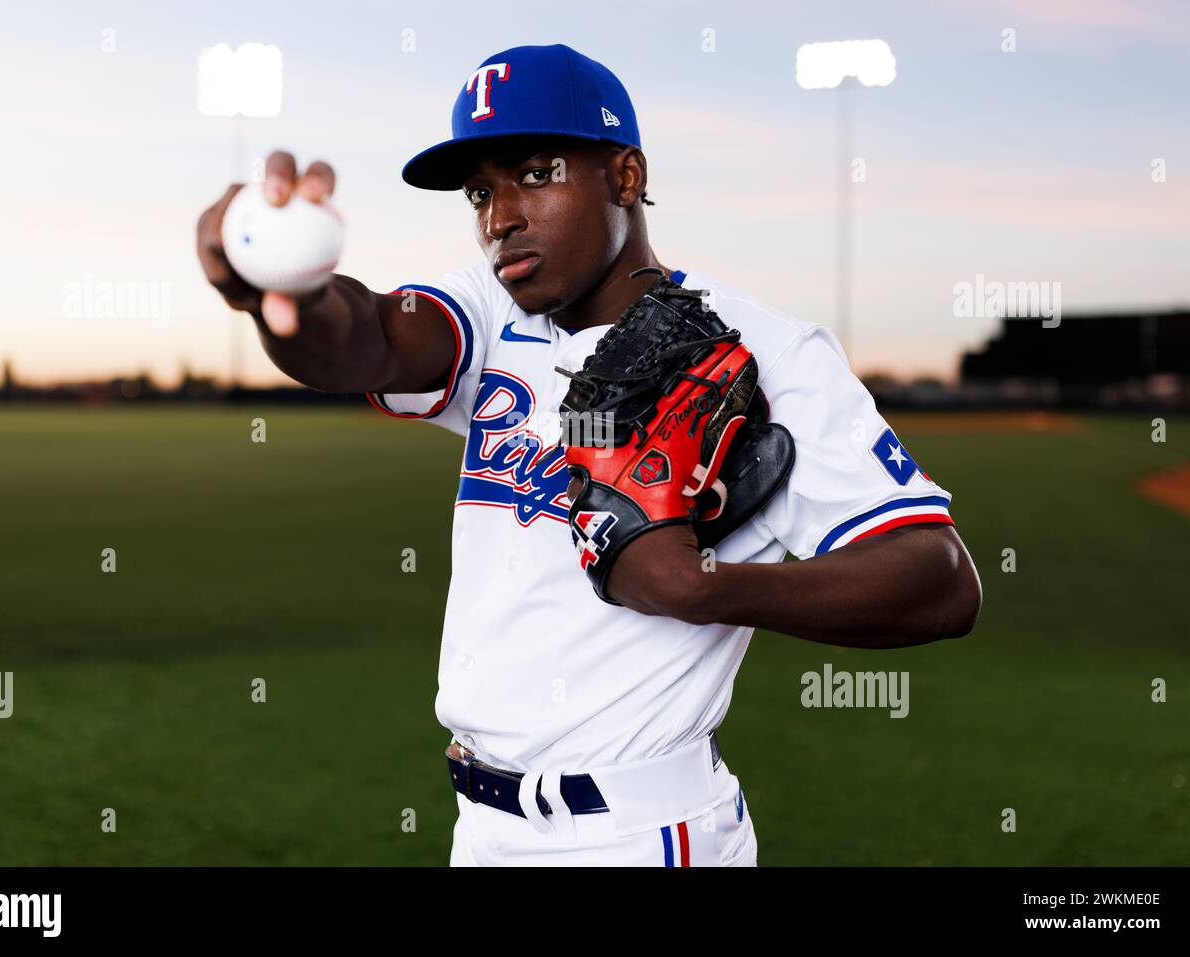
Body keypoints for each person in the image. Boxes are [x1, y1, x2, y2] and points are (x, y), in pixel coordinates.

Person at [196, 43, 982, 867]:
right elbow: (370, 340)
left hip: (639, 833)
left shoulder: (763, 353)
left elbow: (941, 581)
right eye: (481, 192)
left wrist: (702, 589)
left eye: (535, 173)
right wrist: (288, 295)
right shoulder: (491, 311)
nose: (500, 216)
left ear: (626, 176)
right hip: (482, 827)